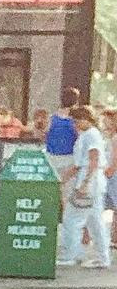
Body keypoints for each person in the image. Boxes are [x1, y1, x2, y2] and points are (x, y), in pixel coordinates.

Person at [57, 105, 111, 269]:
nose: (74, 124)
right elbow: (81, 163)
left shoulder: (90, 136)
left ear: (83, 119)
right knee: (95, 221)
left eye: (76, 120)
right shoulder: (91, 135)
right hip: (93, 181)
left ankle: (71, 254)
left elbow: (92, 161)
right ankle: (102, 257)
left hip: (89, 181)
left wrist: (84, 184)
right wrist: (64, 179)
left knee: (72, 219)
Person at [45, 87, 80, 180]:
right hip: (69, 156)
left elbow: (45, 134)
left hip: (52, 155)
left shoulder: (52, 118)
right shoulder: (75, 120)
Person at [102, 108, 117, 248]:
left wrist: (107, 173)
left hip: (112, 176)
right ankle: (114, 238)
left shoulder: (115, 138)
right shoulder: (109, 137)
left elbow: (115, 160)